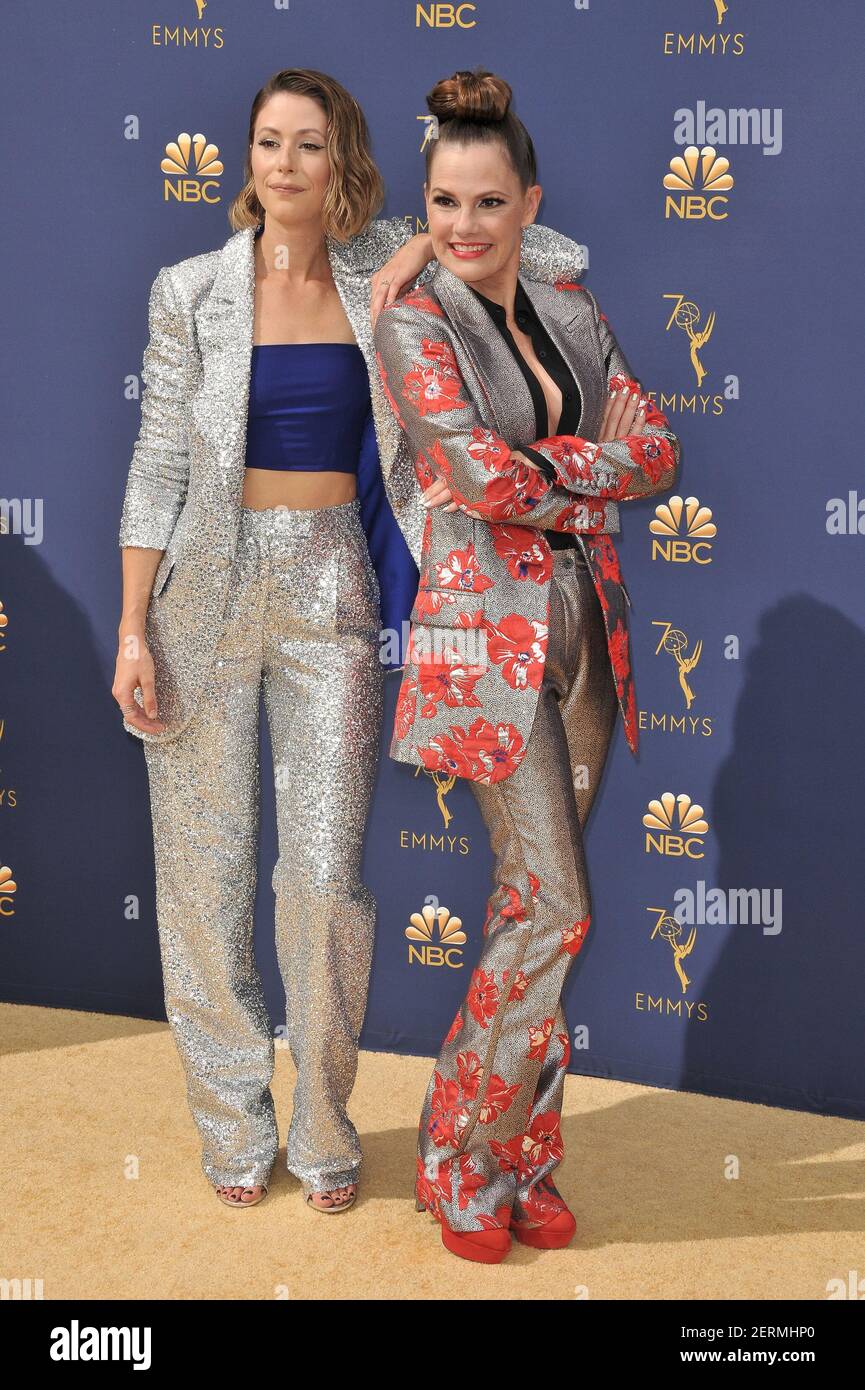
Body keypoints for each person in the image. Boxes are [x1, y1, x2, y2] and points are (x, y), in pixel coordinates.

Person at [112, 67, 588, 1214]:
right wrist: (133, 627)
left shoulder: (382, 262)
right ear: (248, 158)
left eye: (308, 144)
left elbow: (554, 255)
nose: (283, 163)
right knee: (203, 884)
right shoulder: (190, 291)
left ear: (344, 160)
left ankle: (326, 1127)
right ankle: (233, 1125)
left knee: (324, 883)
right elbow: (157, 470)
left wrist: (426, 246)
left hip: (333, 589)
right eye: (268, 141)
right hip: (200, 595)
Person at [373, 66, 680, 1262]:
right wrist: (585, 469)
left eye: (488, 202)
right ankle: (456, 1154)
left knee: (532, 907)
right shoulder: (413, 321)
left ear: (528, 203)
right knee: (554, 906)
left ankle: (522, 1156)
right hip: (480, 646)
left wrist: (582, 475)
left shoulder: (573, 307)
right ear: (425, 206)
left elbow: (656, 445)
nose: (463, 226)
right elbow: (473, 477)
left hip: (580, 631)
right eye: (443, 202)